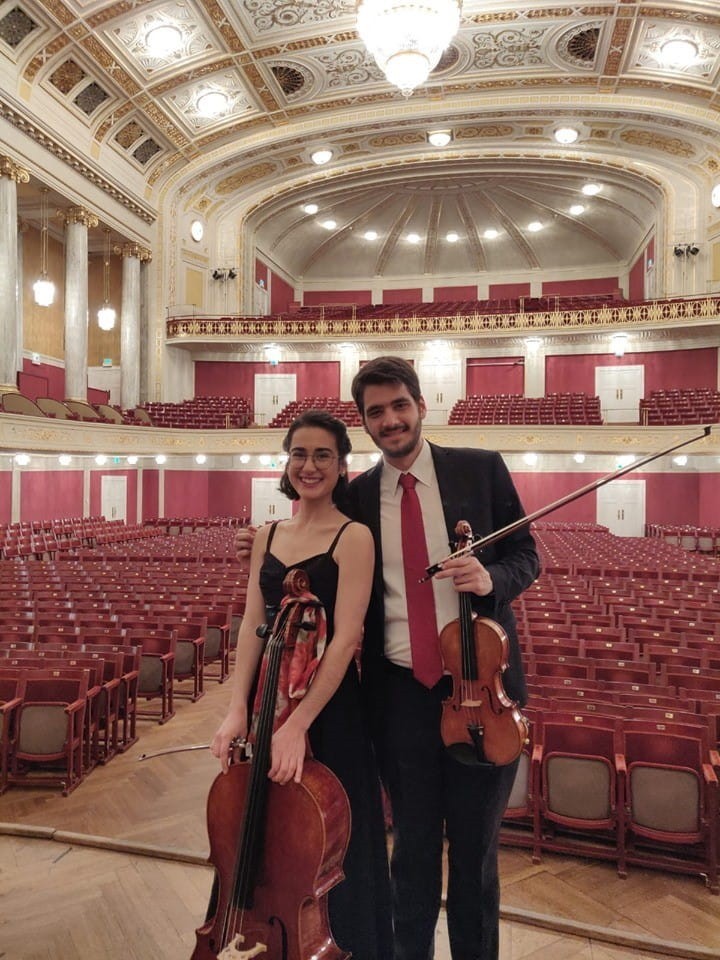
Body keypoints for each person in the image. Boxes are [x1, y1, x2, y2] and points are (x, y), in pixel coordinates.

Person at [236, 358, 539, 960]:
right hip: (399, 696)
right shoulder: (353, 496)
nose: (391, 419)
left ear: (422, 406)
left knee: (476, 857)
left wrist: (490, 577)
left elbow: (527, 554)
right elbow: (314, 564)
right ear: (365, 425)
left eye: (400, 405)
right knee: (414, 853)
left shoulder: (480, 470)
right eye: (376, 412)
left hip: (479, 692)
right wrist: (263, 551)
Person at [212, 409, 393, 960]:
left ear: (342, 467)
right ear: (285, 465)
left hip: (330, 712)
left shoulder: (353, 535)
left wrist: (299, 727)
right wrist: (236, 709)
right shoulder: (266, 535)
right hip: (269, 700)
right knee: (258, 833)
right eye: (299, 454)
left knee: (336, 847)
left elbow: (344, 641)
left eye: (322, 455)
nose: (309, 465)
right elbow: (252, 624)